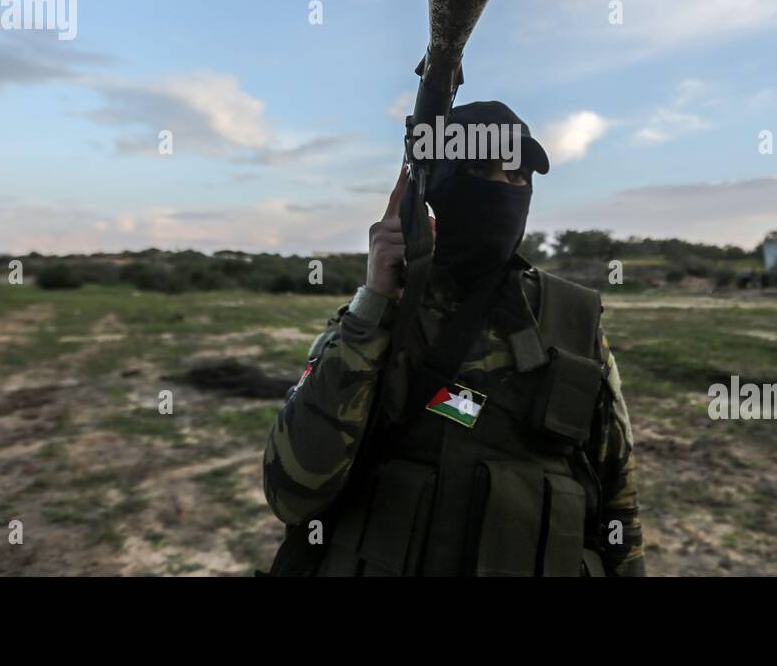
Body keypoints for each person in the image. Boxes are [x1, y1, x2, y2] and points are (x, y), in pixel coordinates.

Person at [262, 101, 645, 576]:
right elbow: (291, 492)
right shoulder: (378, 320)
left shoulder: (574, 319)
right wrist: (374, 305)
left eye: (519, 175)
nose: (505, 188)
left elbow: (618, 501)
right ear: (434, 185)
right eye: (483, 169)